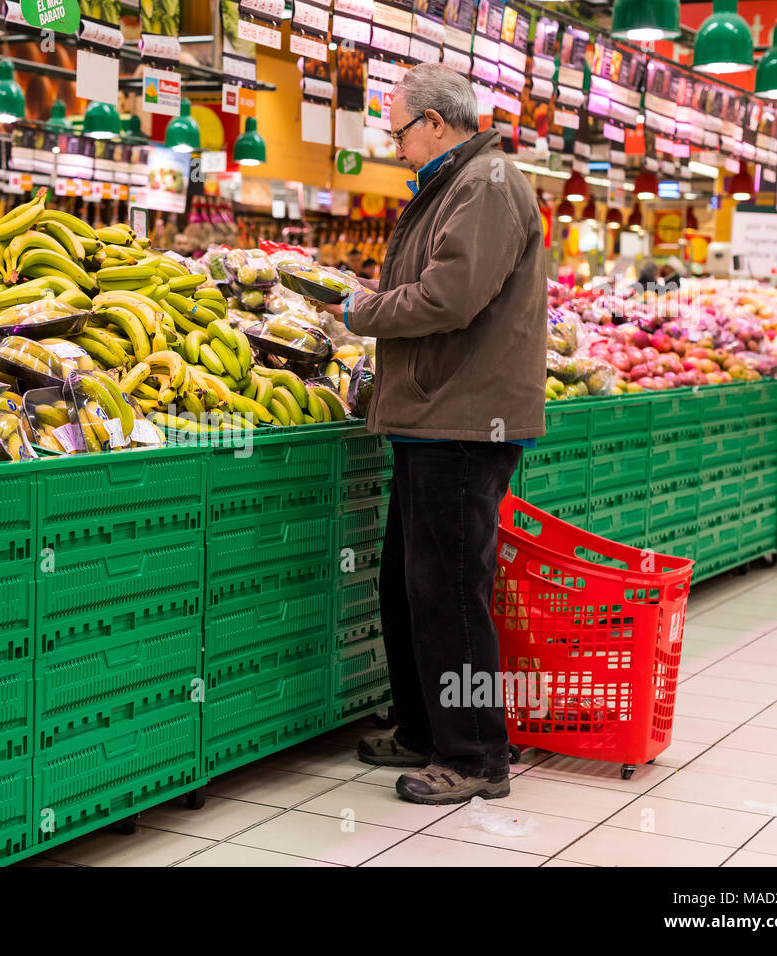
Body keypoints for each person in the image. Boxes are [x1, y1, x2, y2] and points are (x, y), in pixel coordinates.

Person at [325, 62, 546, 806]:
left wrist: (360, 312)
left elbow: (448, 299)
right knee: (411, 587)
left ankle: (477, 753)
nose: (396, 145)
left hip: (464, 419)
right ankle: (425, 728)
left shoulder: (485, 185)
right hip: (432, 416)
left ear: (436, 124)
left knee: (451, 592)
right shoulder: (454, 184)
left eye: (398, 131)